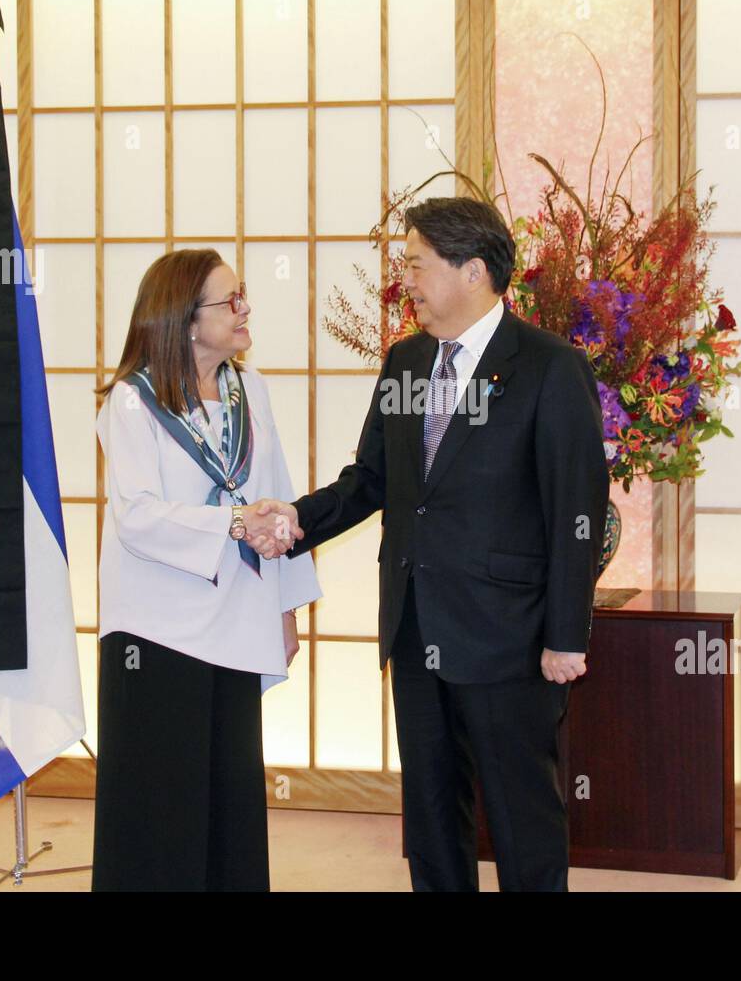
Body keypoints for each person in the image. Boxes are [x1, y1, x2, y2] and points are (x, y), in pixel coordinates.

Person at [260, 197, 609, 891]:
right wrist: (295, 520)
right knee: (429, 815)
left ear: (473, 271)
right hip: (417, 623)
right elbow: (371, 480)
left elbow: (580, 508)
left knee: (521, 816)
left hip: (508, 633)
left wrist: (567, 635)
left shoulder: (548, 366)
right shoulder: (406, 362)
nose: (406, 282)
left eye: (417, 265)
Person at [91, 248, 319, 892]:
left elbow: (277, 499)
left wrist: (286, 608)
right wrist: (232, 523)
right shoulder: (132, 403)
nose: (245, 309)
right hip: (156, 631)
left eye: (243, 294)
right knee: (163, 802)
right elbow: (136, 517)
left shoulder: (253, 389)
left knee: (230, 792)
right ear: (186, 321)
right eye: (230, 300)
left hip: (238, 620)